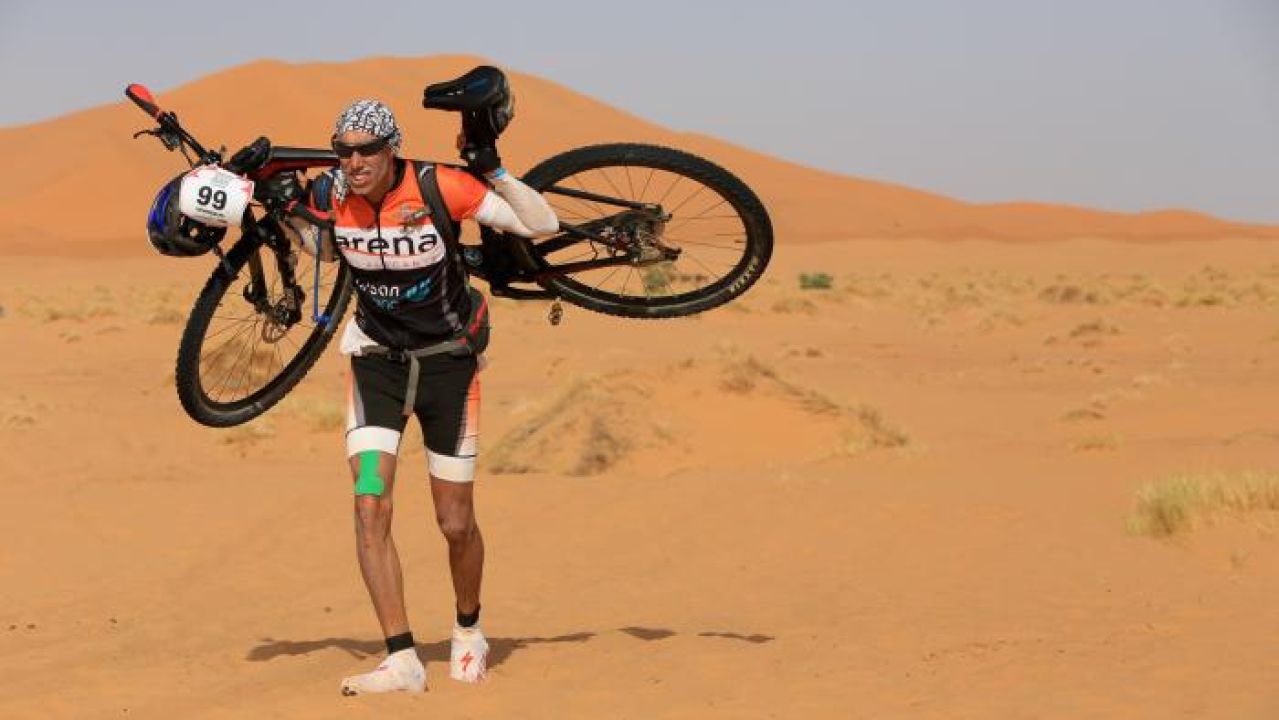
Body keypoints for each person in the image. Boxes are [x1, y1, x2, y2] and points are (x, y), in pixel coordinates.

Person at [298, 99, 558, 695]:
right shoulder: (336, 197)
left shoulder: (440, 186)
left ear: (393, 147)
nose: (355, 160)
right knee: (369, 505)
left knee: (455, 521)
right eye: (344, 149)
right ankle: (401, 658)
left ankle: (469, 631)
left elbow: (541, 225)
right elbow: (321, 249)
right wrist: (288, 214)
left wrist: (494, 174)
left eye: (367, 149)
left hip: (449, 368)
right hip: (374, 367)